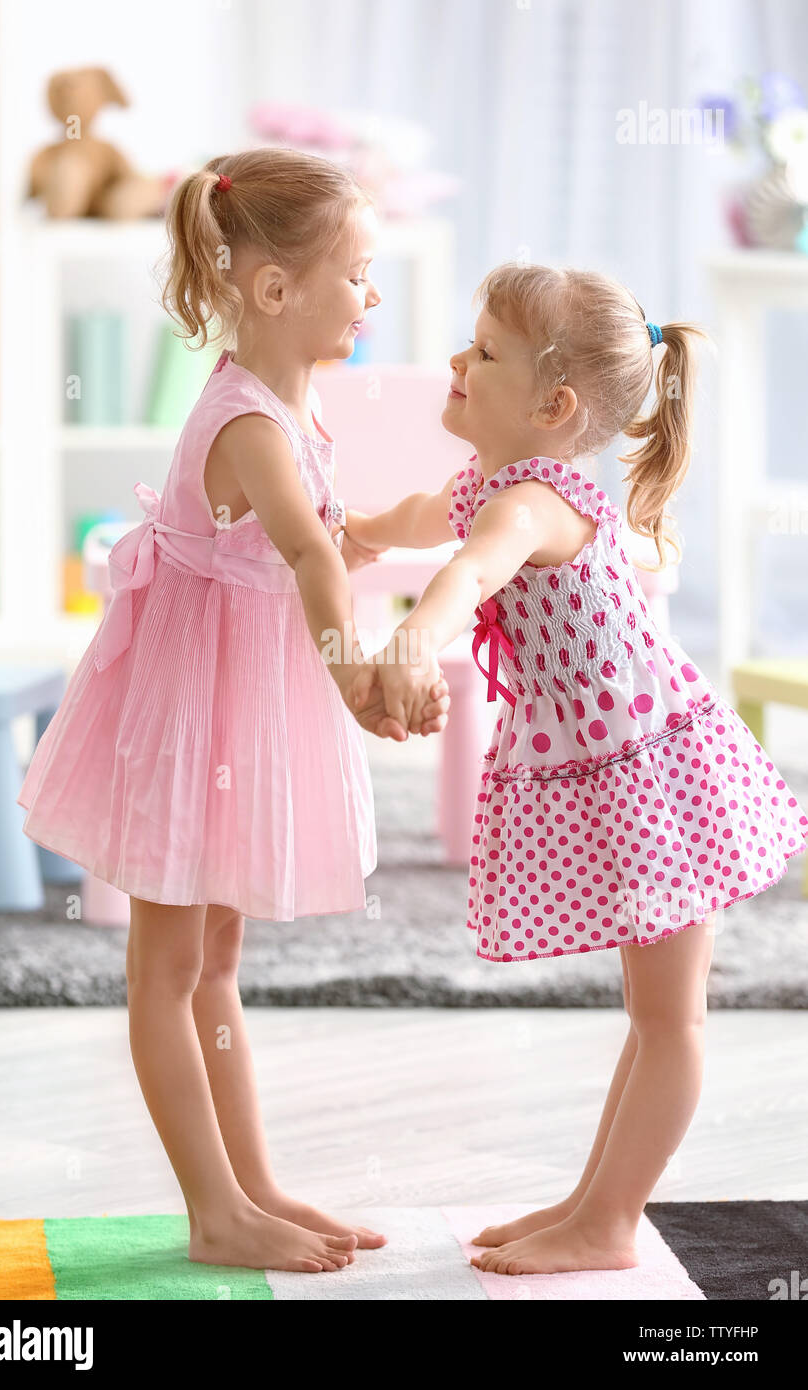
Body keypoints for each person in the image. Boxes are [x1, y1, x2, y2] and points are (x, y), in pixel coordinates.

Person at [18, 147, 449, 1274]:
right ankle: (212, 1209)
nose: (368, 295)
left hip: (236, 707)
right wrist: (352, 670)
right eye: (354, 274)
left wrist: (401, 523)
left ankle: (249, 1183)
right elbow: (305, 554)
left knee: (215, 963)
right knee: (166, 966)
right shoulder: (247, 420)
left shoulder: (293, 411)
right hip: (188, 716)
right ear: (272, 290)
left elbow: (320, 534)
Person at [345, 261, 808, 1275]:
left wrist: (416, 639)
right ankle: (595, 1203)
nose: (455, 361)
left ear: (552, 406)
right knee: (650, 1016)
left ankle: (605, 1221)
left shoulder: (532, 509)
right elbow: (430, 518)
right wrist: (353, 538)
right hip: (621, 768)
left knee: (670, 1017)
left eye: (484, 353)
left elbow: (468, 568)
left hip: (654, 774)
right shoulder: (491, 485)